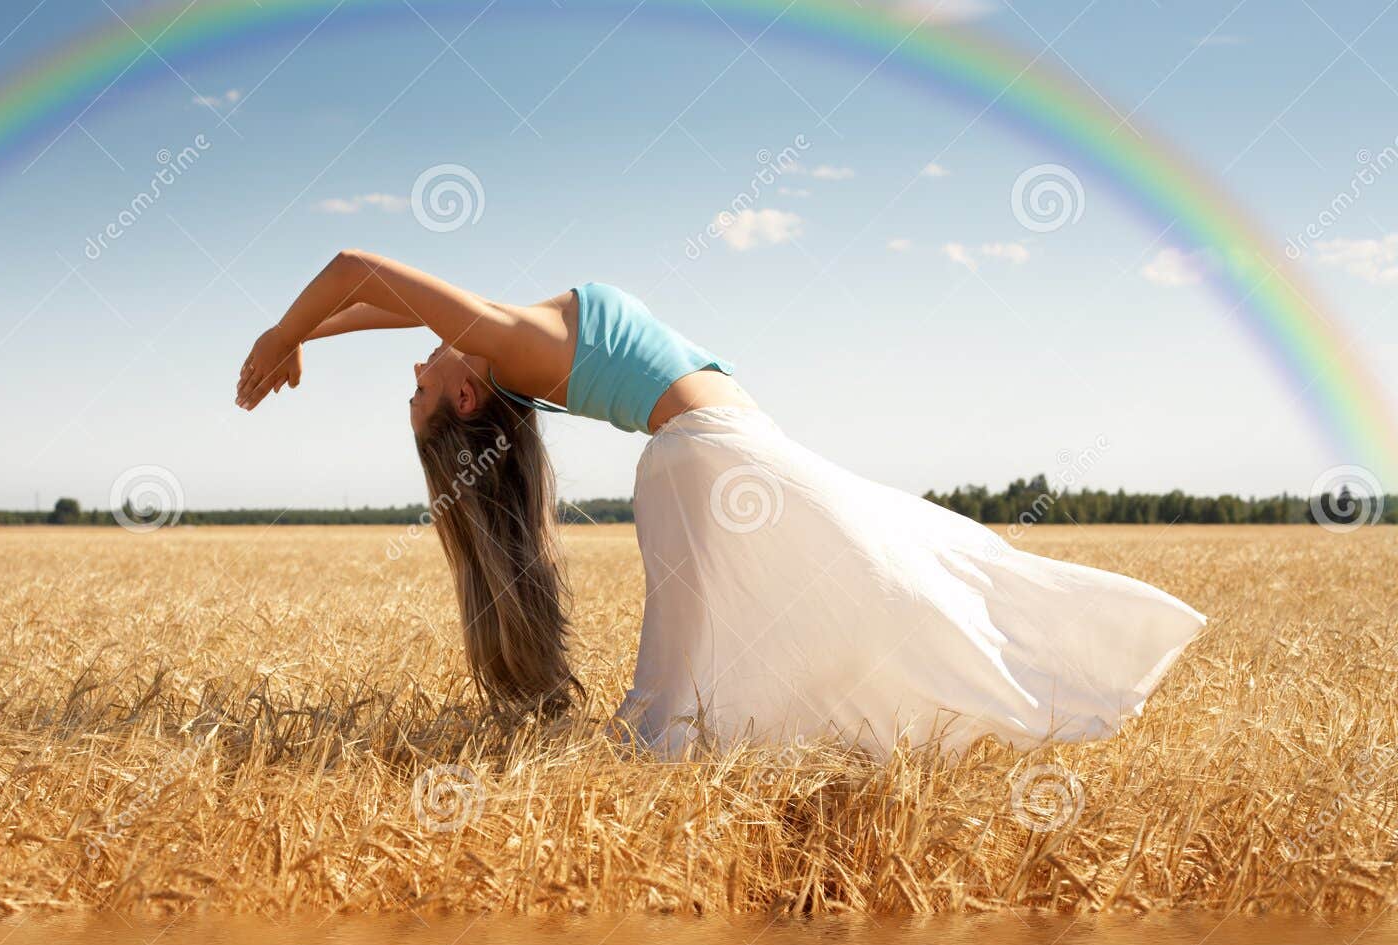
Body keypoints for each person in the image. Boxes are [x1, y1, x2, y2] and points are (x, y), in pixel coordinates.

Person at [237, 251, 1205, 757]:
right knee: (869, 589)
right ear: (464, 397)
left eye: (410, 381)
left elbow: (376, 294)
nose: (413, 365)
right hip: (712, 460)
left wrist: (302, 336)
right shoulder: (498, 334)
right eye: (418, 386)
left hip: (722, 455)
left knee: (889, 574)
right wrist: (285, 334)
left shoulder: (499, 334)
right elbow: (360, 264)